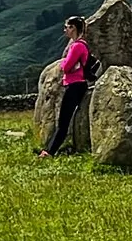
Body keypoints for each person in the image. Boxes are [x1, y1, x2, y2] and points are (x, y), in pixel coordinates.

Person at [37, 16, 94, 158]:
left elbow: (66, 66)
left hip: (75, 85)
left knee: (63, 121)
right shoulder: (82, 45)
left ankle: (50, 151)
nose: (65, 30)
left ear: (73, 28)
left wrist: (66, 65)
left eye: (67, 27)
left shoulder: (77, 46)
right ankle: (50, 150)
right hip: (78, 84)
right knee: (64, 120)